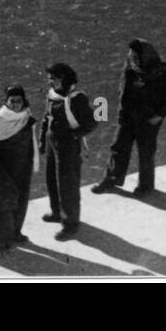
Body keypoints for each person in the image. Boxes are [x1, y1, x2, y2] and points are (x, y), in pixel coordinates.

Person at [92, 38, 166, 197]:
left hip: (149, 119)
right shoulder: (131, 67)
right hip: (127, 116)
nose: (131, 56)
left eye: (135, 54)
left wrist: (159, 116)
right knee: (118, 147)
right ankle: (111, 178)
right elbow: (123, 90)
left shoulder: (161, 72)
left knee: (146, 152)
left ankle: (145, 186)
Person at [39, 62, 96, 240]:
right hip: (52, 142)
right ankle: (57, 212)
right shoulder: (52, 95)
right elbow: (46, 118)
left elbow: (91, 123)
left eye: (53, 80)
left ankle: (70, 223)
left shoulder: (77, 98)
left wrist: (73, 136)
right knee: (51, 179)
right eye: (49, 80)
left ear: (63, 79)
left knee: (68, 185)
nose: (50, 84)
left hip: (68, 146)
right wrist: (42, 140)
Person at [0, 85, 39, 255]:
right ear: (6, 102)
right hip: (5, 171)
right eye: (12, 101)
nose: (16, 105)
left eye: (19, 101)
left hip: (23, 168)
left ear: (24, 101)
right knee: (3, 206)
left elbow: (32, 141)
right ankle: (1, 243)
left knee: (21, 203)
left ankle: (15, 233)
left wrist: (33, 160)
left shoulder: (26, 116)